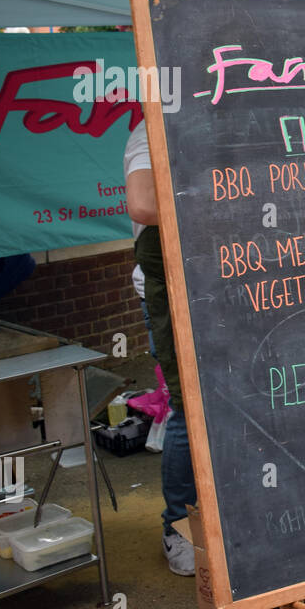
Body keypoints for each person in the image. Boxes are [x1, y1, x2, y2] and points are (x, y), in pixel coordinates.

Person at [124, 123, 197, 576]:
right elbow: (144, 204)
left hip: (226, 282)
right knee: (190, 409)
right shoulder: (148, 134)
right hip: (173, 293)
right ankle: (178, 527)